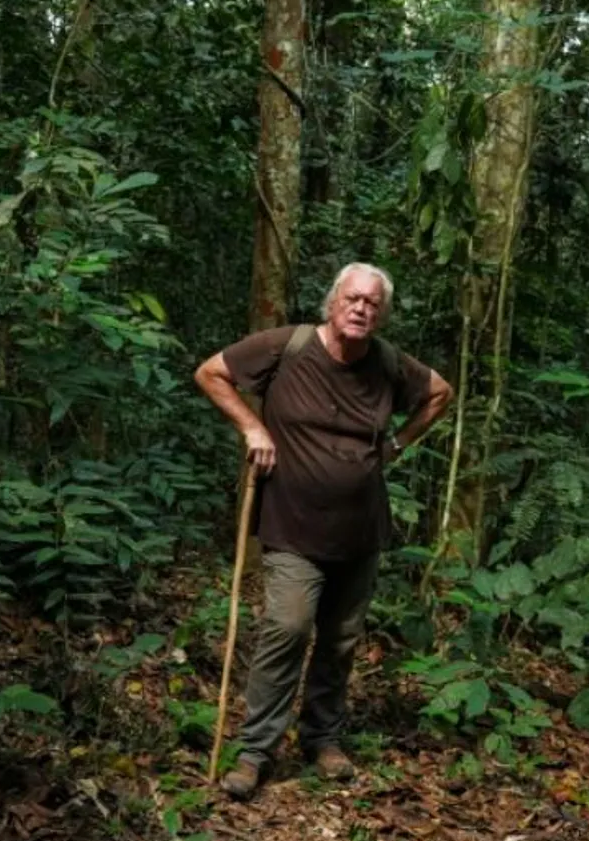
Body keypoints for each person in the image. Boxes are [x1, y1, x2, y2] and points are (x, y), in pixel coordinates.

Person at [194, 262, 453, 800]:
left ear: (381, 315)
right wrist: (253, 426)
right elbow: (210, 373)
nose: (362, 309)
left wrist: (399, 444)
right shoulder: (286, 346)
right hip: (292, 523)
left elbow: (440, 393)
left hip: (360, 530)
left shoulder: (384, 363)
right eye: (353, 299)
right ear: (333, 302)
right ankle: (256, 751)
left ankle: (322, 738)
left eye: (372, 304)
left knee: (339, 640)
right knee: (287, 627)